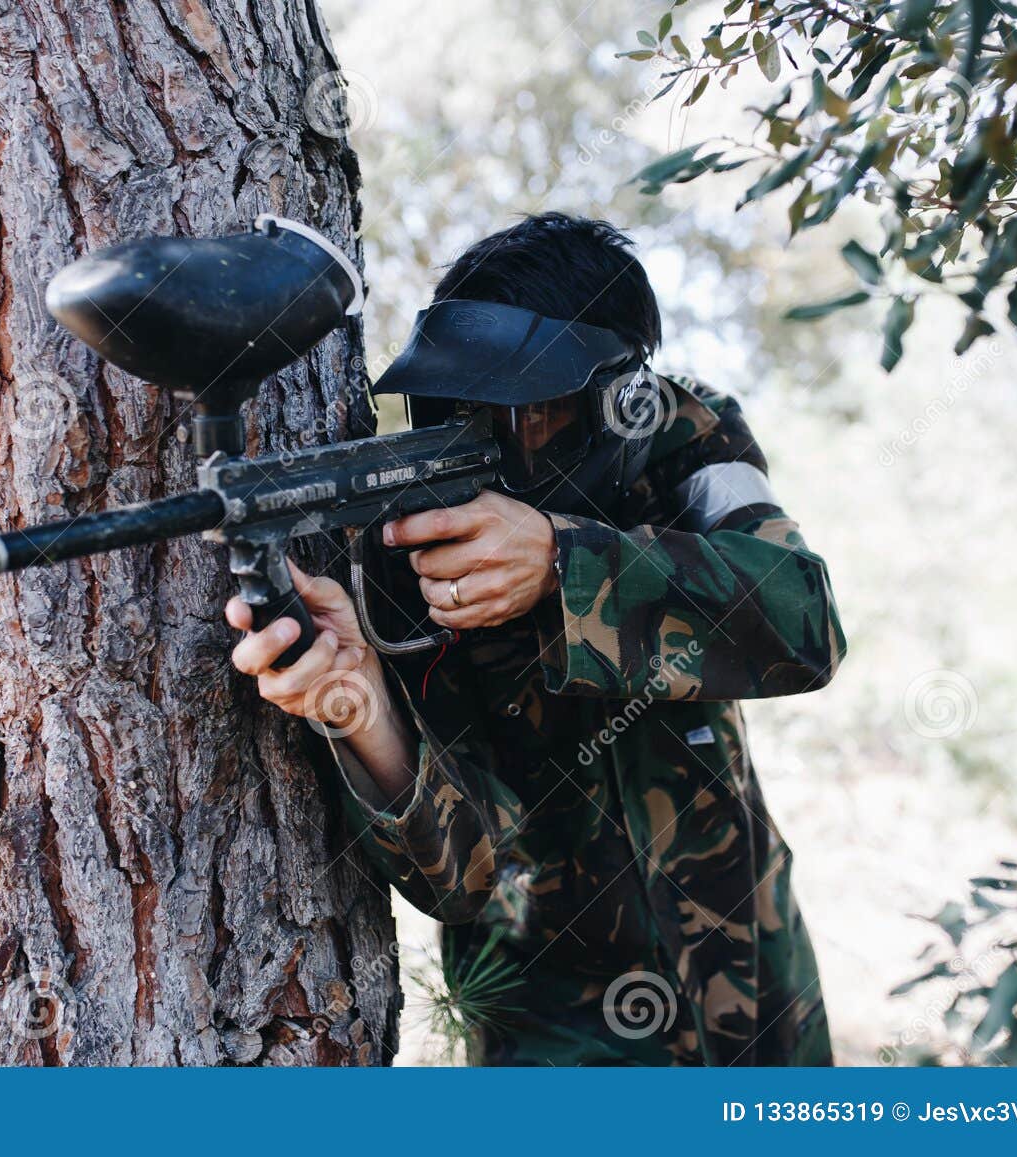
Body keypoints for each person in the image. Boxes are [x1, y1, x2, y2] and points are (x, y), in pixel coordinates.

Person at [226, 213, 847, 1065]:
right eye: (456, 405)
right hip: (562, 1051)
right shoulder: (412, 539)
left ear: (621, 400)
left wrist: (565, 563)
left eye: (531, 412)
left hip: (756, 995)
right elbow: (463, 872)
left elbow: (804, 622)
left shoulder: (681, 437)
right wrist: (363, 706)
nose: (486, 441)